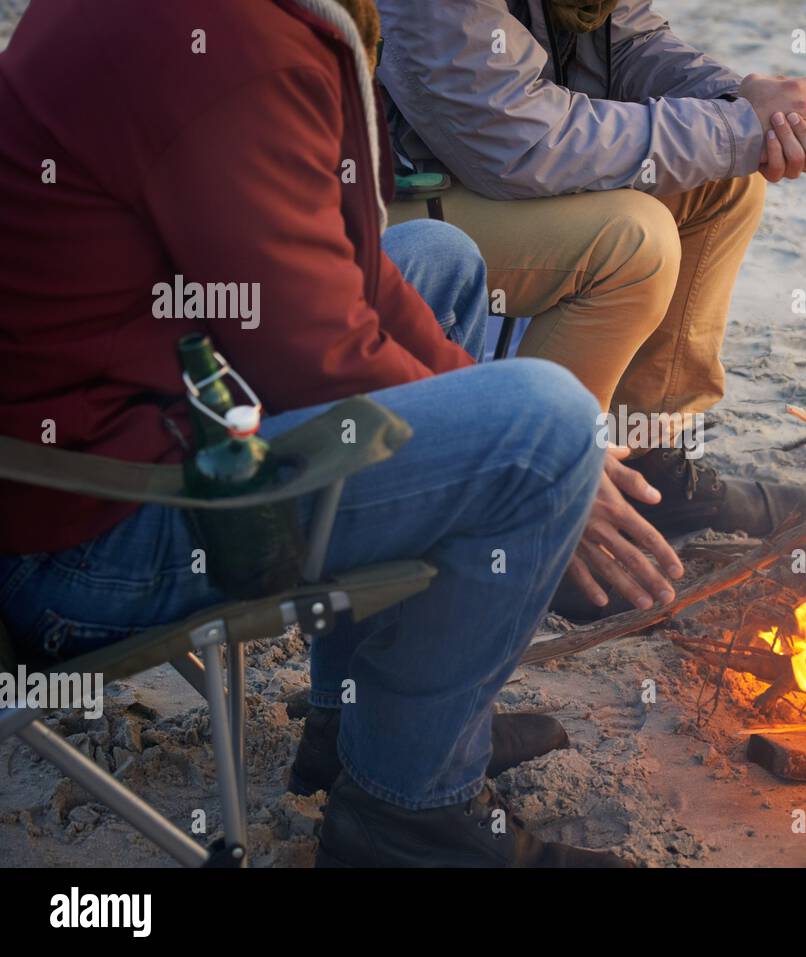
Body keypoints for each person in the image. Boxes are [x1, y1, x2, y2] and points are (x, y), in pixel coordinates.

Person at [0, 0, 635, 867]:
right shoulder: (225, 44)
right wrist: (556, 457)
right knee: (547, 428)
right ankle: (407, 813)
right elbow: (319, 357)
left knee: (442, 267)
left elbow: (350, 273)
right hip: (90, 542)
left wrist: (476, 389)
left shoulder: (248, 25)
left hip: (129, 430)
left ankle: (358, 722)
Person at [376, 0, 806, 614]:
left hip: (458, 166)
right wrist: (737, 130)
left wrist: (744, 98)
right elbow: (517, 140)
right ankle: (548, 519)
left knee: (722, 185)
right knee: (631, 241)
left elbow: (625, 42)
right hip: (371, 206)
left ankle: (641, 472)